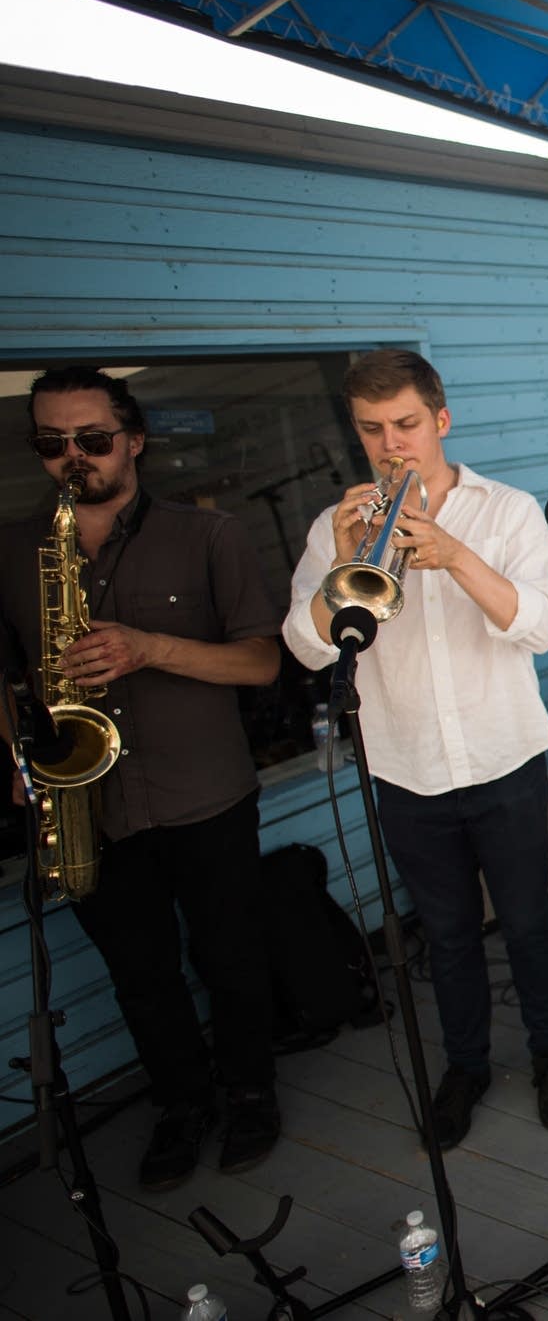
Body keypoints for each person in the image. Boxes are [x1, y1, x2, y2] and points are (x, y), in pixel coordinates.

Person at [281, 349, 548, 1149]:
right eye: (373, 429)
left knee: (527, 922)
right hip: (407, 769)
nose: (392, 444)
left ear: (440, 421)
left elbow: (540, 627)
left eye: (407, 424)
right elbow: (305, 649)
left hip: (506, 757)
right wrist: (343, 565)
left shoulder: (507, 511)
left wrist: (452, 554)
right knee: (444, 934)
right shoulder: (331, 526)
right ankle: (467, 1065)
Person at [0, 368, 282, 1190]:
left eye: (91, 439)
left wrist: (150, 647)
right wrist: (16, 755)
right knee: (141, 972)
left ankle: (251, 1091)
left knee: (229, 956)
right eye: (52, 443)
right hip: (88, 800)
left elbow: (262, 662)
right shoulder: (14, 547)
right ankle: (181, 1102)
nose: (72, 458)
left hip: (205, 792)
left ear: (134, 441)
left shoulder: (209, 536)